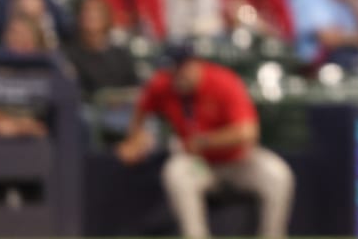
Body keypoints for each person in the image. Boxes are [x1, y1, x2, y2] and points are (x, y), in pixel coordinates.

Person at [116, 44, 295, 238]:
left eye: (181, 68)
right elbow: (141, 109)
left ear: (195, 64)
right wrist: (134, 138)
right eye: (172, 70)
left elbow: (247, 133)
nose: (176, 75)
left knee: (278, 174)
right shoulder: (163, 84)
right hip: (200, 164)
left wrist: (206, 141)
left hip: (238, 160)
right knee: (176, 173)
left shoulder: (222, 81)